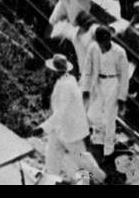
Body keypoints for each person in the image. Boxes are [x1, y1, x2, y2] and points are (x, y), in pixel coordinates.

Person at [42, 52, 106, 184]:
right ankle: (50, 177)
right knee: (52, 152)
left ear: (56, 71)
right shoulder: (65, 80)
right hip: (60, 128)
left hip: (71, 129)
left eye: (51, 70)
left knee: (81, 159)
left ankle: (99, 178)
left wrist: (43, 127)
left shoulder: (67, 85)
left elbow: (61, 112)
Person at [81, 24, 130, 173]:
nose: (101, 46)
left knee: (110, 119)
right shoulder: (93, 48)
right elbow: (87, 69)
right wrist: (86, 88)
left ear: (109, 39)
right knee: (93, 114)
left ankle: (108, 151)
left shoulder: (119, 52)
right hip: (98, 83)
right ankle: (98, 140)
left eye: (103, 42)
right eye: (99, 42)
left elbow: (124, 76)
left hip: (113, 84)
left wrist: (122, 97)